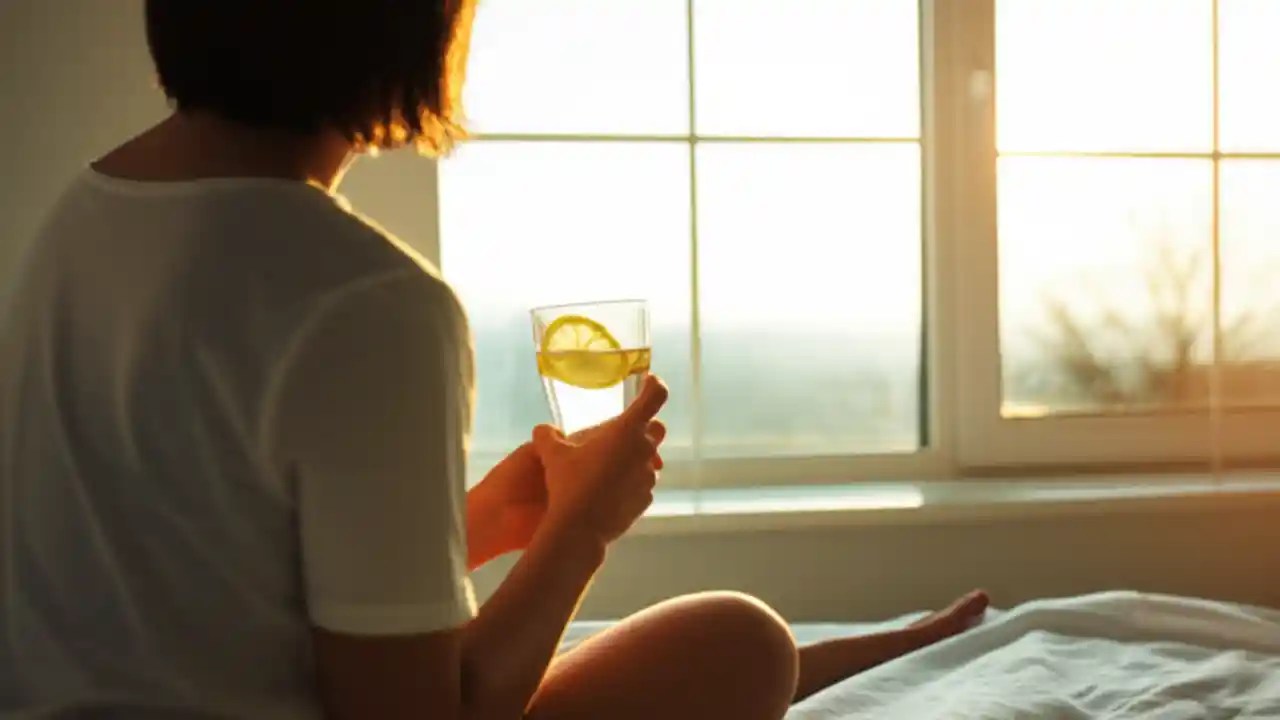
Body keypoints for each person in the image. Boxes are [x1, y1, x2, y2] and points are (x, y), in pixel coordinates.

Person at [0, 1, 988, 718]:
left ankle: (852, 658)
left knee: (727, 650)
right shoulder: (366, 301)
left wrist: (472, 528)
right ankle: (838, 662)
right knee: (737, 640)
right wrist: (580, 534)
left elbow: (181, 577)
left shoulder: (79, 217)